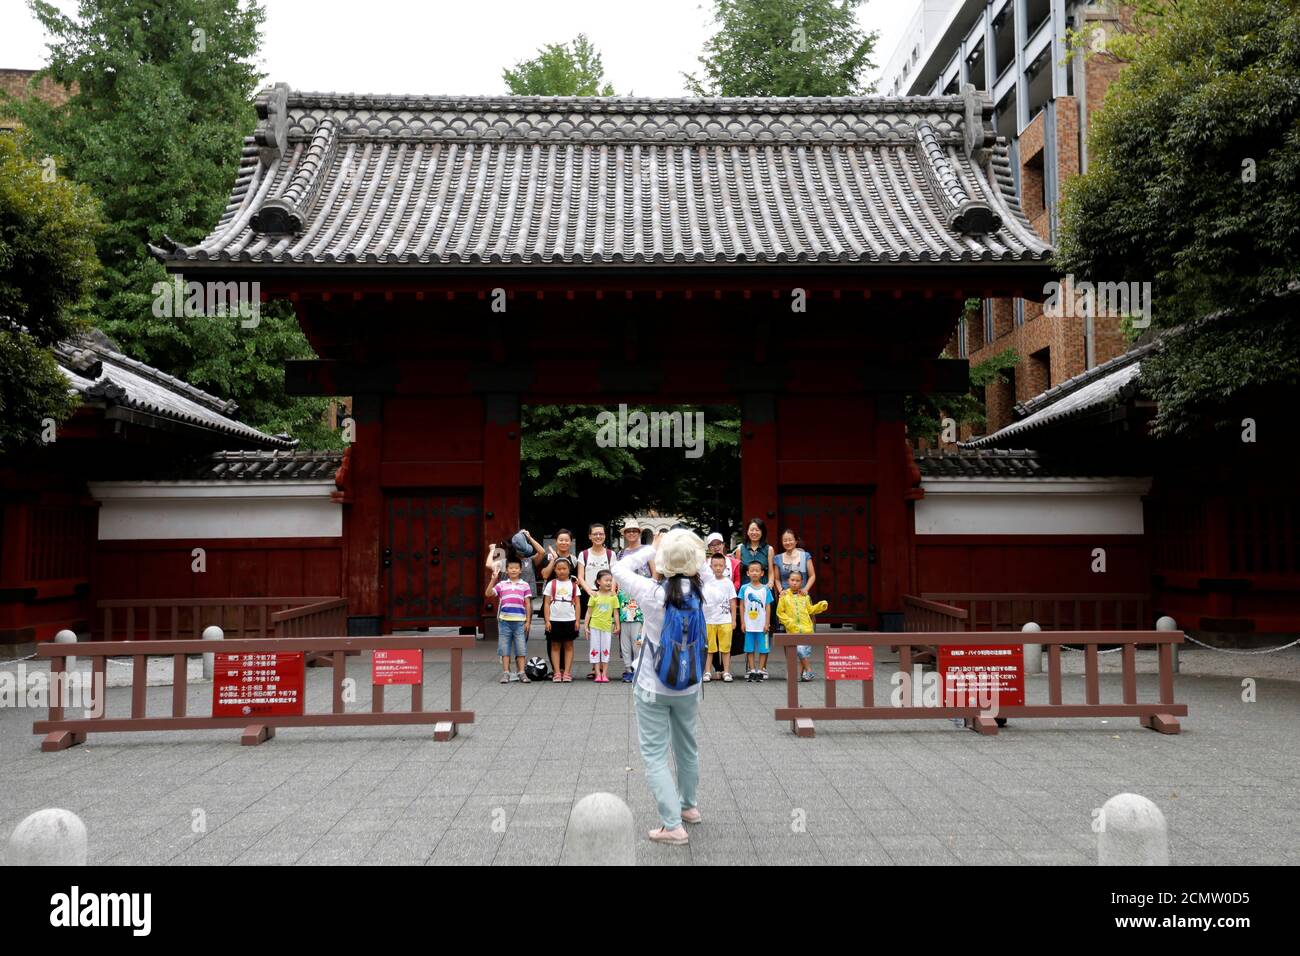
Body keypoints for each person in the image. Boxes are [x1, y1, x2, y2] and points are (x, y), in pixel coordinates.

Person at [613, 528, 708, 846]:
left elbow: (619, 568)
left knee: (654, 754)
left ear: (663, 561)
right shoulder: (702, 589)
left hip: (653, 684)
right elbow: (705, 566)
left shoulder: (652, 593)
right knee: (687, 747)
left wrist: (650, 549)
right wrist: (688, 547)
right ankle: (689, 807)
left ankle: (672, 825)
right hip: (690, 684)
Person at [485, 553, 532, 683]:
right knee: (504, 648)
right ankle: (506, 672)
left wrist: (528, 621)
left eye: (516, 568)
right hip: (504, 621)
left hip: (520, 621)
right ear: (507, 570)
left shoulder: (525, 585)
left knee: (521, 648)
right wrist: (493, 579)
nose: (513, 570)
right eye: (511, 568)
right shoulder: (502, 584)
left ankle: (521, 672)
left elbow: (528, 603)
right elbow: (488, 594)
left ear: (520, 570)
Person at [777, 569, 828, 681]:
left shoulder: (805, 596)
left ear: (802, 582)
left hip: (807, 629)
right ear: (788, 581)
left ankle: (800, 675)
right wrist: (789, 623)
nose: (794, 582)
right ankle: (809, 670)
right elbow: (780, 612)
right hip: (793, 630)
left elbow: (810, 610)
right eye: (792, 580)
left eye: (797, 580)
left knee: (803, 653)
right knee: (799, 650)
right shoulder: (784, 596)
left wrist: (820, 606)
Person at [577, 524, 614, 678]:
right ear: (590, 536)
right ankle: (595, 668)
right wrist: (589, 591)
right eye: (595, 534)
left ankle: (601, 668)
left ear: (605, 535)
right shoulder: (584, 554)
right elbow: (580, 576)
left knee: (604, 629)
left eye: (601, 534)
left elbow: (615, 575)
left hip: (606, 594)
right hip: (591, 594)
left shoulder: (611, 554)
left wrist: (613, 590)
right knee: (593, 630)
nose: (598, 536)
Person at [702, 552, 738, 682]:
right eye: (715, 565)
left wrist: (733, 619)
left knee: (725, 648)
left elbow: (733, 601)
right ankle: (707, 672)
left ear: (725, 567)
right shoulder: (705, 582)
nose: (718, 568)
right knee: (709, 648)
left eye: (720, 565)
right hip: (708, 620)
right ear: (710, 566)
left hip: (725, 620)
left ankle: (726, 671)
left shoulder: (728, 582)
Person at [542, 557, 580, 682]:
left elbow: (578, 604)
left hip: (569, 619)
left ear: (569, 570)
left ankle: (567, 672)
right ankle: (557, 672)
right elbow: (547, 603)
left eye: (564, 569)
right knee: (555, 646)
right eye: (559, 569)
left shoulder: (574, 585)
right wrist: (547, 621)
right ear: (555, 570)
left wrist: (577, 621)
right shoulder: (551, 584)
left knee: (569, 645)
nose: (562, 571)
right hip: (554, 620)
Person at [738, 560, 774, 681]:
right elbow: (742, 605)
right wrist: (742, 622)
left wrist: (767, 623)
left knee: (763, 648)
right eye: (752, 570)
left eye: (757, 570)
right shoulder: (744, 588)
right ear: (747, 573)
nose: (754, 573)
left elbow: (768, 606)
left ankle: (761, 669)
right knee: (749, 648)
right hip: (749, 625)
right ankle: (752, 669)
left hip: (762, 625)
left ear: (762, 573)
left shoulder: (765, 589)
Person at [582, 569, 619, 682]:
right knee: (595, 649)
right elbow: (589, 612)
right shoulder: (594, 596)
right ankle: (598, 673)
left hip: (607, 627)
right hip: (595, 627)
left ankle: (605, 674)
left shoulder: (613, 597)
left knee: (605, 650)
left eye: (610, 581)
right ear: (598, 582)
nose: (608, 583)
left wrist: (617, 625)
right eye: (606, 580)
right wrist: (586, 626)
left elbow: (616, 613)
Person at [734, 518, 775, 592]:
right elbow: (738, 572)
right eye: (752, 530)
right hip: (745, 588)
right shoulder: (740, 548)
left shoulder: (769, 549)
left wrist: (770, 583)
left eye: (757, 530)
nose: (754, 532)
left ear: (762, 532)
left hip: (764, 587)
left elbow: (771, 571)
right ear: (747, 532)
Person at [773, 528, 816, 598]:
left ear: (796, 541)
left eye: (790, 540)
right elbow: (776, 579)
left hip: (802, 596)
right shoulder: (778, 558)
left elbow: (812, 575)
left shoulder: (805, 556)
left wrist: (806, 589)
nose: (788, 542)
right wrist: (780, 591)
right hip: (786, 597)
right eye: (785, 540)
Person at [617, 580, 643, 683]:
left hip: (637, 622)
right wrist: (616, 623)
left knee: (637, 647)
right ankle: (628, 670)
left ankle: (638, 670)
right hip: (624, 622)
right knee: (625, 647)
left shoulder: (642, 593)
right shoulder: (620, 593)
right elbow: (617, 608)